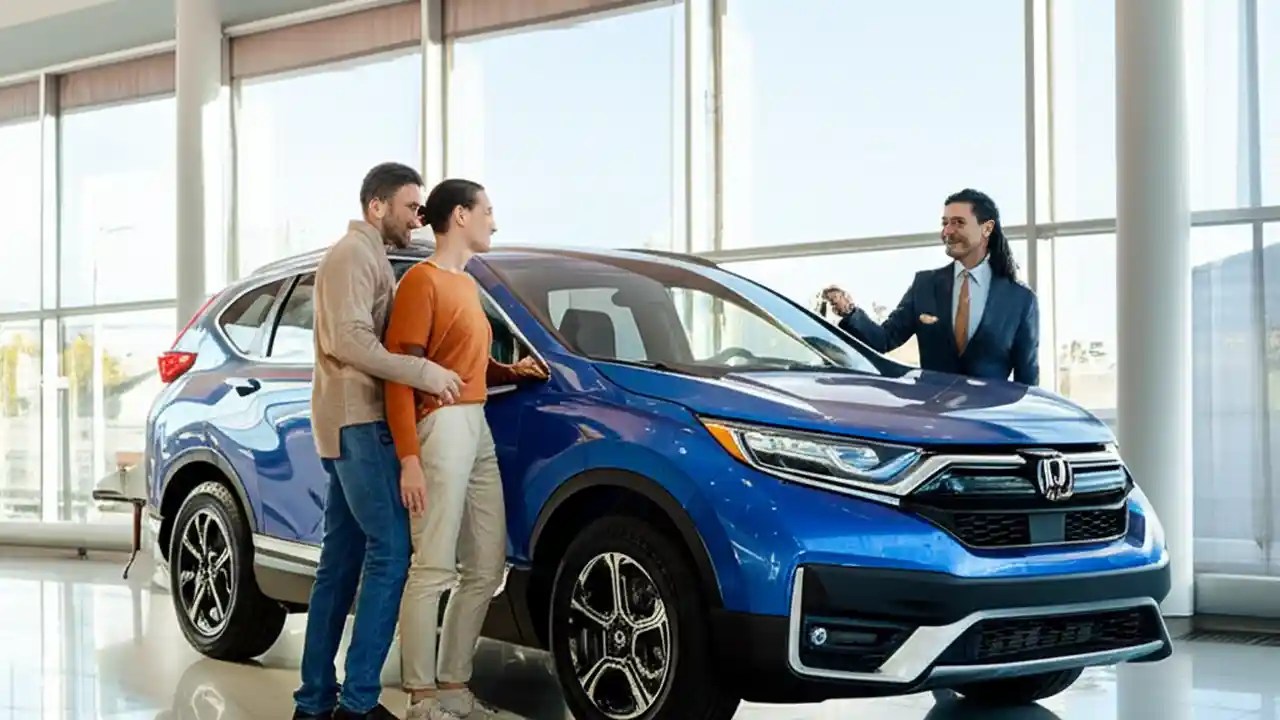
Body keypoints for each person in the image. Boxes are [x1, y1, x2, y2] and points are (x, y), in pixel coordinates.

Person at [293, 162, 464, 720]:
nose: (419, 218)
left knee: (340, 562)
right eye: (412, 207)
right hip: (358, 418)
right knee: (391, 550)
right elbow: (350, 341)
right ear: (377, 206)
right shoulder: (352, 255)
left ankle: (315, 703)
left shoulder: (370, 258)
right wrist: (425, 376)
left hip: (354, 419)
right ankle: (358, 703)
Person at [382, 178, 548, 720]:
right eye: (487, 211)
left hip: (475, 423)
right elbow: (400, 376)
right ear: (459, 216)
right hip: (440, 427)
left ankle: (454, 687)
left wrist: (510, 371)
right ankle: (422, 699)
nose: (493, 222)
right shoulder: (421, 284)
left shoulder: (467, 284)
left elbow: (465, 361)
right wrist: (409, 458)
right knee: (432, 566)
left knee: (486, 565)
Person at [823, 188, 1040, 385]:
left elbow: (1027, 379)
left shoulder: (1020, 299)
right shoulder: (924, 286)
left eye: (958, 223)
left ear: (987, 228)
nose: (947, 231)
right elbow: (884, 340)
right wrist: (848, 310)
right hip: (932, 419)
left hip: (988, 422)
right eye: (945, 223)